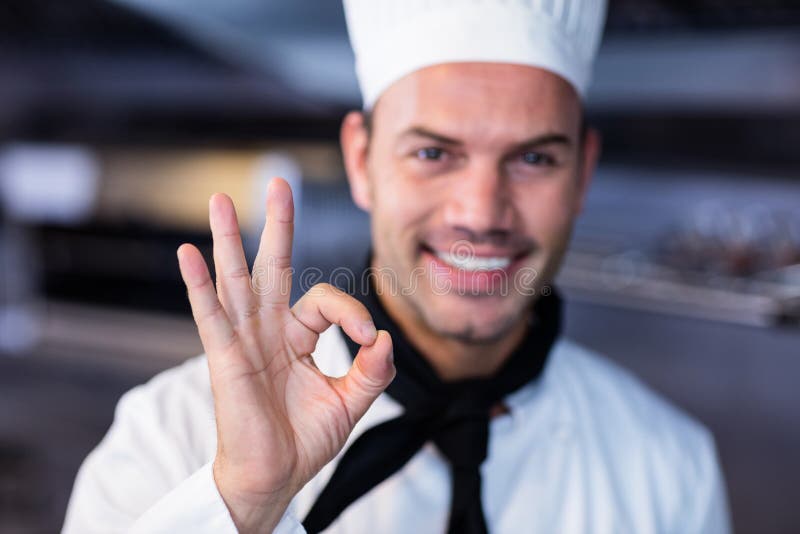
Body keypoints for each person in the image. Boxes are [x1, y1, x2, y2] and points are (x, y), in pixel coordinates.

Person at [63, 0, 731, 532]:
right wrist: (244, 505)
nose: (482, 211)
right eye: (434, 154)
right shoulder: (170, 436)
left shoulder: (669, 465)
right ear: (361, 160)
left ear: (582, 172)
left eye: (534, 159)